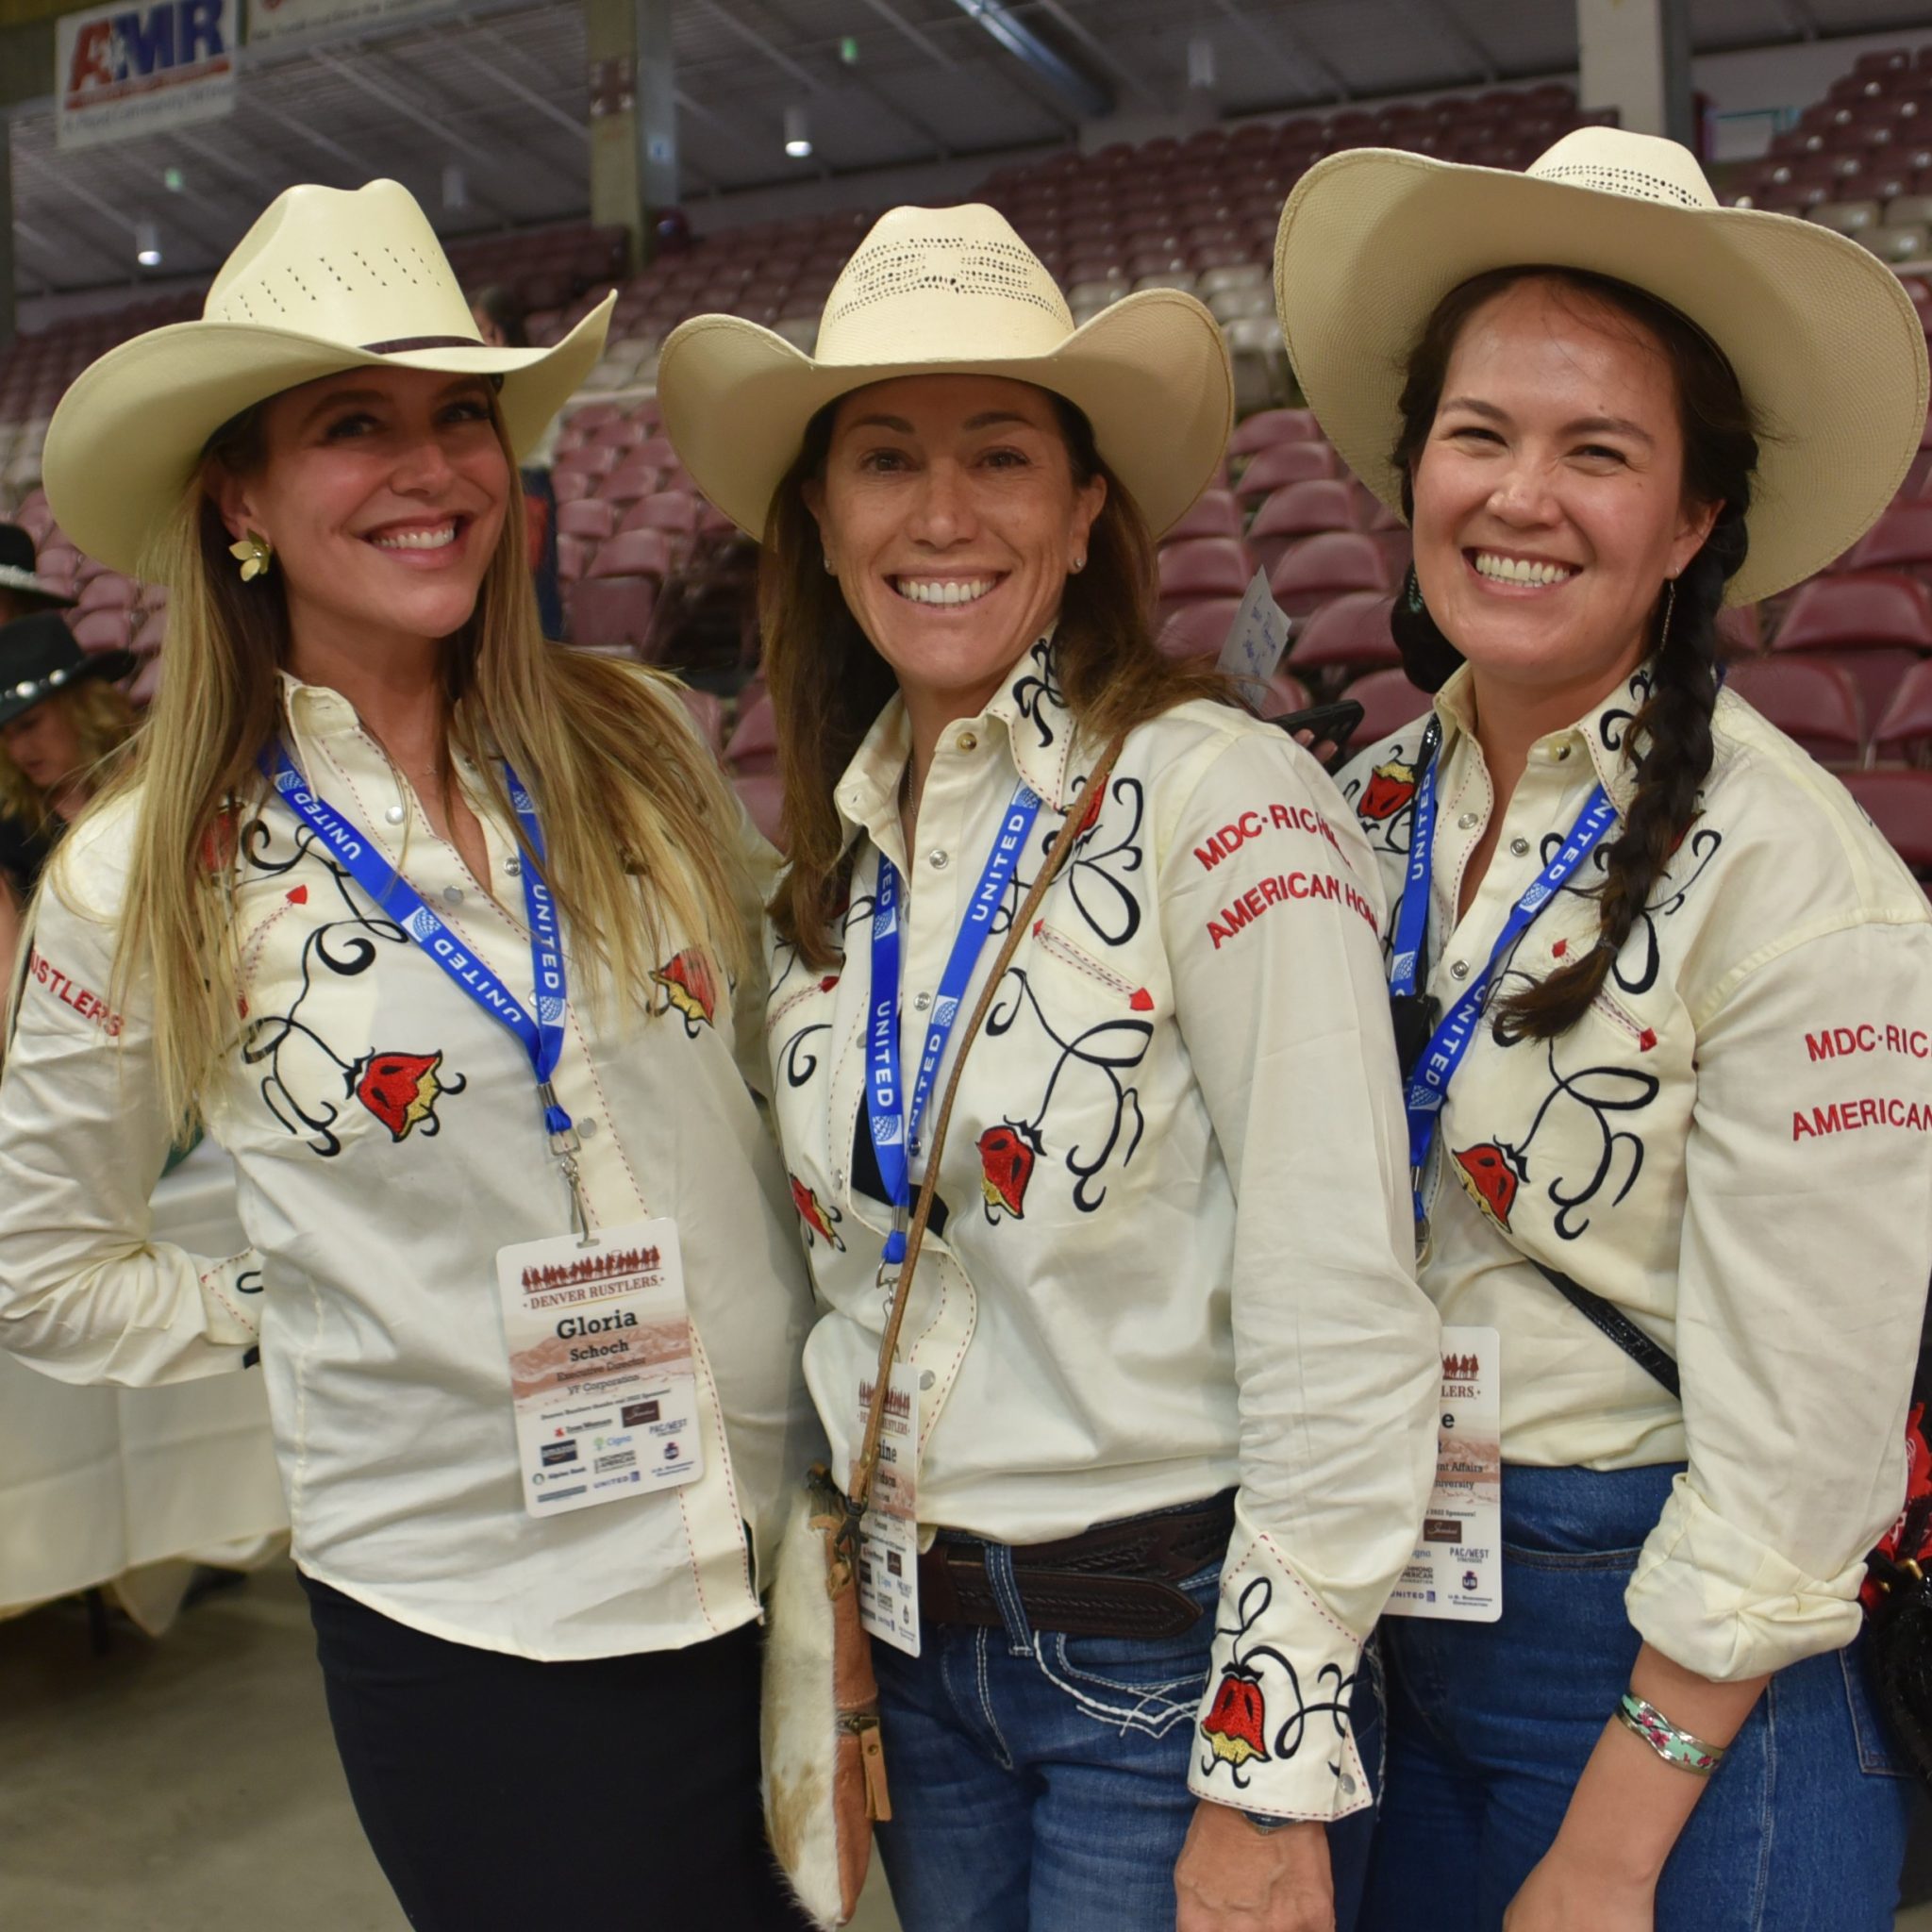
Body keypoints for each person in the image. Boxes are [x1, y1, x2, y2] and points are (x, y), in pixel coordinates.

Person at [0, 179, 818, 1931]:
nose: (430, 468)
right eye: (351, 426)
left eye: (461, 415)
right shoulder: (143, 867)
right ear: (237, 495)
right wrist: (294, 1306)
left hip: (787, 1550)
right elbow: (41, 1260)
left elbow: (780, 1057)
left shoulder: (645, 743)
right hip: (480, 1619)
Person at [659, 203, 1441, 1932]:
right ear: (819, 515)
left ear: (1086, 511)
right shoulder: (842, 858)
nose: (939, 515)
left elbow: (1339, 1291)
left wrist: (1269, 1755)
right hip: (924, 1651)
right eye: (883, 459)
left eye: (999, 454)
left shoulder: (1219, 799)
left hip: (1159, 1656)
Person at [1275, 127, 1932, 1929]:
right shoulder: (1353, 814)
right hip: (1391, 1620)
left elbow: (1808, 1443)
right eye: (1479, 434)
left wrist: (1608, 1843)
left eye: (1598, 452)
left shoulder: (1804, 879)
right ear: (1411, 467)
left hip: (1675, 1673)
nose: (1519, 495)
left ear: (1693, 518)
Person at [0, 611, 136, 995]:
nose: (19, 750)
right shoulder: (13, 825)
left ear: (82, 706)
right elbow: (7, 964)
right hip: (68, 1014)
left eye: (30, 725)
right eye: (6, 735)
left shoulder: (154, 783)